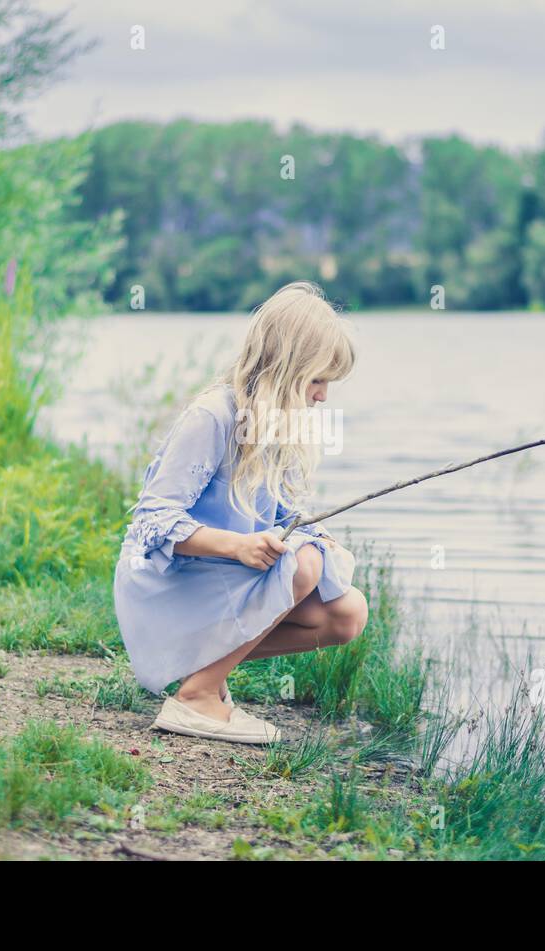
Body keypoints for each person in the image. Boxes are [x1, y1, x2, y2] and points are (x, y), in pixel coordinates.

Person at [113, 281, 369, 744]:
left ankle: (201, 674)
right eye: (317, 379)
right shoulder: (213, 416)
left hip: (216, 579)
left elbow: (282, 513)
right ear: (286, 367)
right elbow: (152, 519)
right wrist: (239, 546)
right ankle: (198, 698)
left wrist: (314, 535)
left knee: (347, 613)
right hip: (167, 582)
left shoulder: (277, 426)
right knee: (303, 564)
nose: (323, 397)